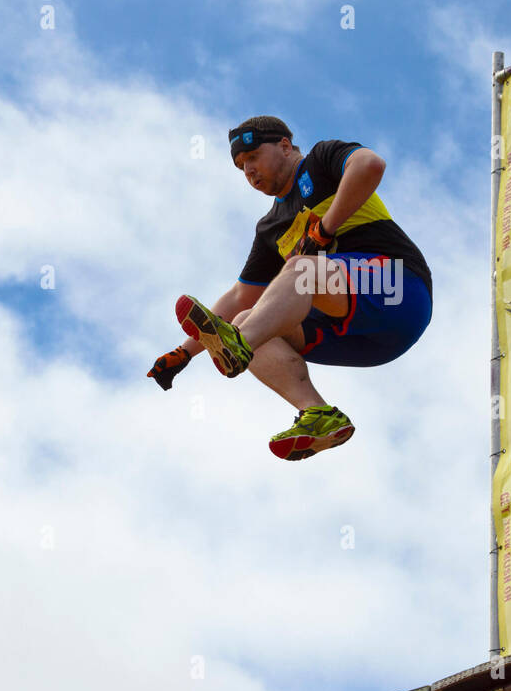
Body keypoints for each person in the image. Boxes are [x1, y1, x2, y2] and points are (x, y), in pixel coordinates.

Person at [147, 116, 433, 460]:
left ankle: (239, 345)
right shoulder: (270, 228)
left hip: (400, 291)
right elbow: (240, 296)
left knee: (299, 269)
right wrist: (183, 354)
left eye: (252, 156)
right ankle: (319, 416)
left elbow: (371, 165)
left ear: (285, 145)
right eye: (240, 166)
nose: (248, 170)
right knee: (246, 318)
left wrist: (325, 229)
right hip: (366, 342)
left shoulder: (321, 160)